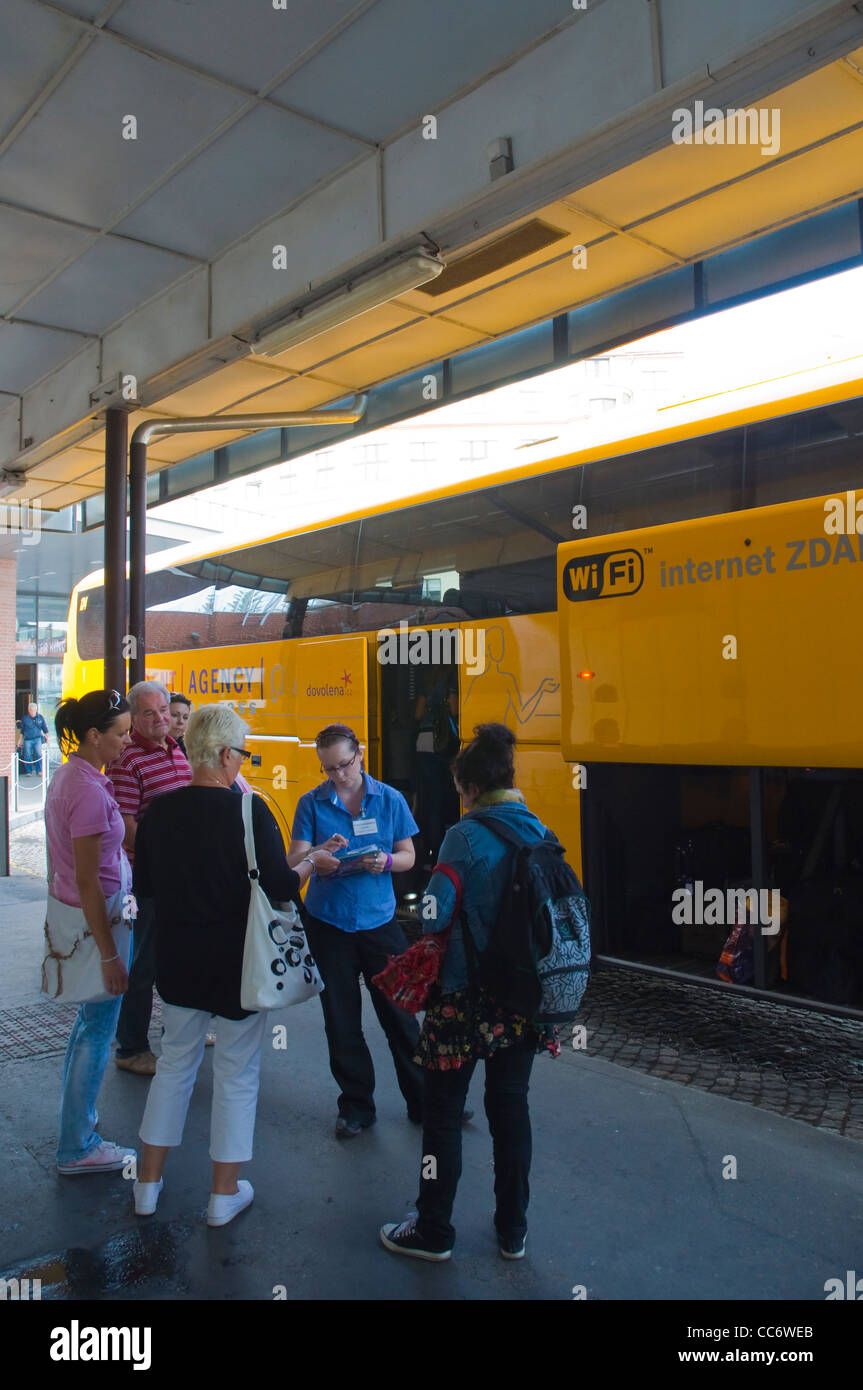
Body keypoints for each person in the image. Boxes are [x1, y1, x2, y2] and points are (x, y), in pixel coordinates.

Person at [130, 704, 340, 1223]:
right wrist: (313, 862)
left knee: (174, 1068)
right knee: (237, 1075)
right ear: (225, 754)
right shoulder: (249, 810)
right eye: (242, 753)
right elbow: (281, 886)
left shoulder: (158, 811)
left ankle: (147, 1188)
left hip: (178, 965)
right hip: (239, 968)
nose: (243, 763)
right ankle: (223, 1195)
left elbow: (146, 889)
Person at [380, 722, 555, 1263]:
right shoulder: (540, 832)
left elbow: (433, 913)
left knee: (443, 1115)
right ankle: (513, 1230)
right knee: (510, 1111)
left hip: (461, 998)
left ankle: (433, 1228)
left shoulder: (464, 835)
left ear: (472, 787)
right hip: (522, 1001)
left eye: (459, 788)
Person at [288, 724, 427, 1138]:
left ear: (360, 755)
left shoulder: (390, 799)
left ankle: (425, 1099)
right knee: (341, 1019)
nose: (338, 775)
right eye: (329, 769)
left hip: (379, 920)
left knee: (400, 1015)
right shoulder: (311, 802)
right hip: (328, 923)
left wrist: (385, 861)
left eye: (344, 765)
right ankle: (356, 1107)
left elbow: (408, 856)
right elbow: (292, 861)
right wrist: (317, 856)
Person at [47, 690, 138, 1175]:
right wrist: (109, 954)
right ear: (93, 736)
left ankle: (77, 1121)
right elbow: (86, 877)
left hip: (94, 911)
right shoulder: (85, 788)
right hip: (100, 916)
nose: (127, 742)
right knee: (98, 1030)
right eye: (121, 734)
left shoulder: (73, 776)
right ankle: (77, 1146)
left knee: (89, 1026)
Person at [108, 680, 191, 1075]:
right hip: (146, 881)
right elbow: (126, 825)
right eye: (148, 713)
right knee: (141, 963)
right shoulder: (128, 761)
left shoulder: (176, 750)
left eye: (163, 710)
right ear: (133, 718)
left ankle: (179, 1031)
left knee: (175, 956)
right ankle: (131, 1047)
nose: (160, 718)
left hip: (176, 878)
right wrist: (167, 859)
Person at [20, 701, 49, 776]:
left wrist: (47, 739)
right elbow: (22, 731)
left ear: (36, 710)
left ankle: (39, 771)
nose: (32, 712)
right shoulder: (25, 718)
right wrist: (19, 740)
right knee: (27, 756)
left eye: (34, 710)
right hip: (27, 740)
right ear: (28, 710)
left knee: (39, 755)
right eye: (31, 710)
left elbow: (45, 729)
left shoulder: (40, 717)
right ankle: (28, 772)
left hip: (37, 739)